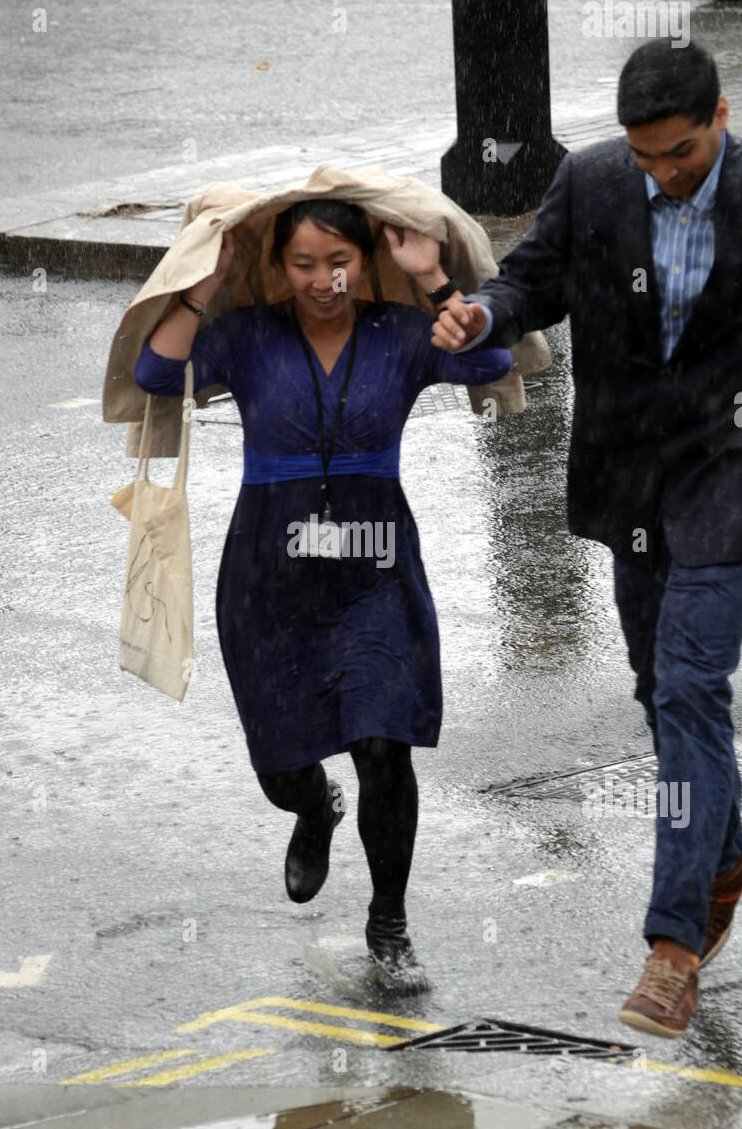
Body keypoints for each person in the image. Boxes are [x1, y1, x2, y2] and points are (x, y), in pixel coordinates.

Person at [432, 39, 742, 1038]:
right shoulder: (591, 184)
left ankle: (672, 947)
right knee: (658, 689)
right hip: (633, 475)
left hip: (741, 466)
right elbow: (531, 280)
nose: (659, 174)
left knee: (687, 683)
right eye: (643, 156)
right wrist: (479, 310)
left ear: (719, 116)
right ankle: (721, 856)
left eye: (678, 154)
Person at [132, 198, 512, 993]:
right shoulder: (248, 334)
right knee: (280, 761)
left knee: (382, 742)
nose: (321, 280)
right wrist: (205, 283)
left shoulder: (401, 333)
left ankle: (389, 925)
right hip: (268, 569)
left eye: (336, 261)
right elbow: (156, 373)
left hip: (374, 565)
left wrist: (433, 277)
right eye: (302, 264)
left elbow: (489, 364)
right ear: (277, 267)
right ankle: (312, 807)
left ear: (364, 259)